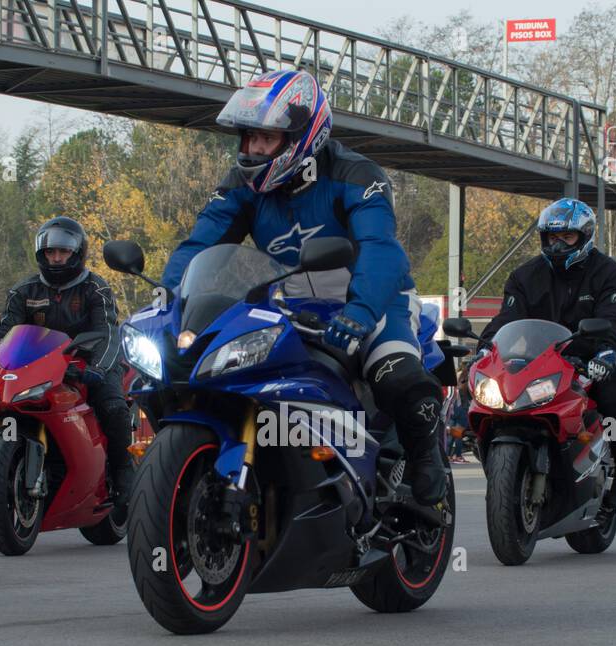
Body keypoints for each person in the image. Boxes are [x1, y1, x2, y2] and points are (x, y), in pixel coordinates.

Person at [161, 69, 447, 505]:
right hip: (292, 306)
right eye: (249, 137)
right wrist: (170, 297)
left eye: (266, 138)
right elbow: (202, 243)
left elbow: (381, 250)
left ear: (302, 137)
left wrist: (362, 311)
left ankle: (427, 458)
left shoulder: (357, 175)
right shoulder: (242, 186)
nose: (254, 148)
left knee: (395, 376)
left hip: (375, 302)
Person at [479, 198, 616, 509]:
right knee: (486, 398)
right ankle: (505, 467)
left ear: (584, 236)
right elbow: (507, 318)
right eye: (551, 238)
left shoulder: (609, 273)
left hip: (591, 358)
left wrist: (608, 351)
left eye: (566, 238)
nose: (557, 245)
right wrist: (485, 348)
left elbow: (613, 319)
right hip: (536, 361)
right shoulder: (523, 276)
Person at [0, 216, 134, 520]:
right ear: (42, 254)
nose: (56, 258)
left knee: (113, 406)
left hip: (90, 364)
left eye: (63, 252)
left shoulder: (96, 288)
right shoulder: (24, 290)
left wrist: (99, 368)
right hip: (41, 367)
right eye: (51, 252)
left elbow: (108, 333)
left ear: (77, 253)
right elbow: (3, 334)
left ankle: (122, 470)